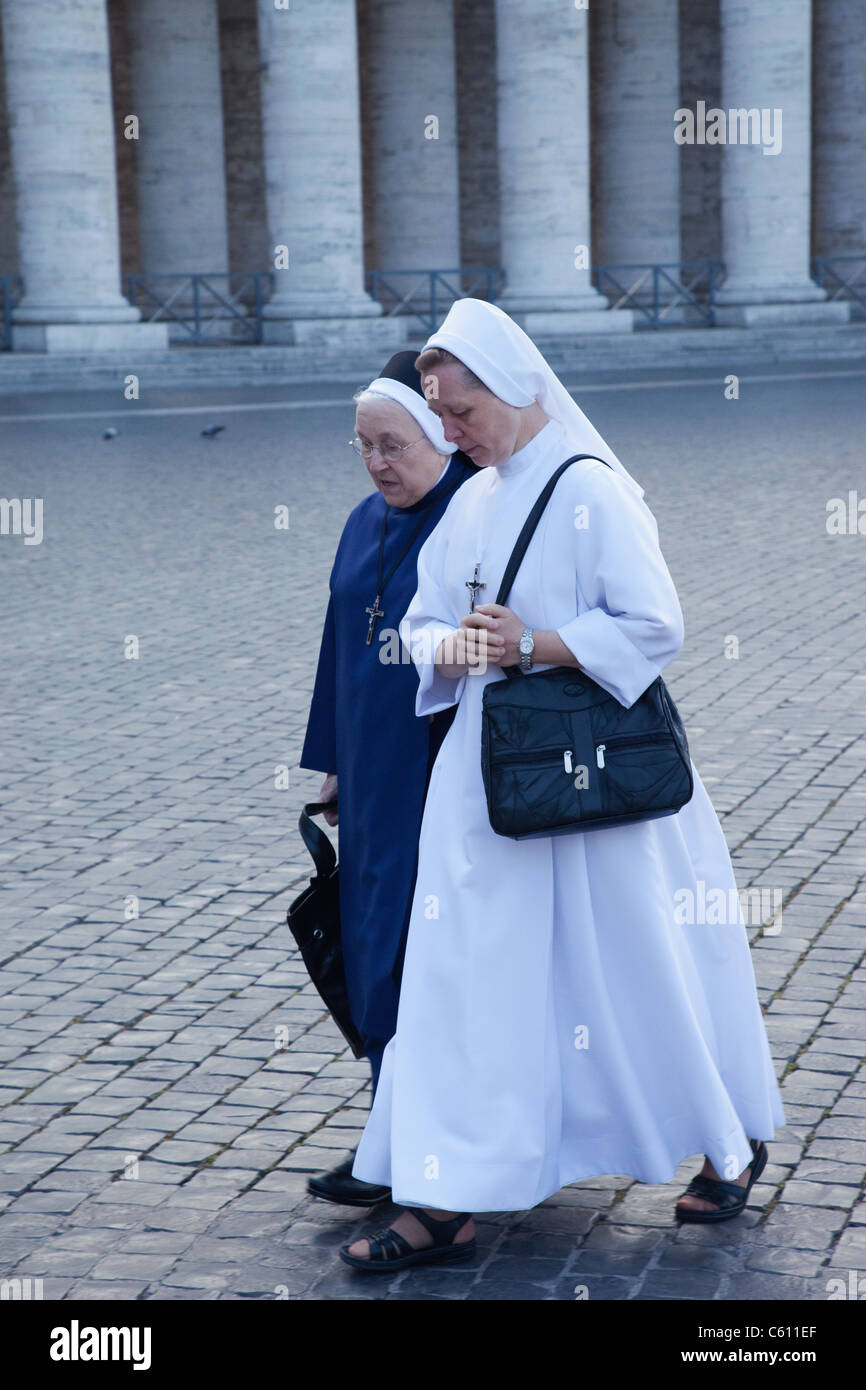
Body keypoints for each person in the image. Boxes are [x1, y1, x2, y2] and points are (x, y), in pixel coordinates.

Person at [341, 298, 785, 1271]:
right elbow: (420, 628)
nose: (448, 433)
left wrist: (535, 644)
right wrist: (457, 647)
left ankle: (727, 1137)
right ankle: (443, 1195)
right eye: (439, 416)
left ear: (513, 386)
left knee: (639, 967)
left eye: (458, 413)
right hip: (485, 783)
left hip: (598, 794)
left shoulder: (591, 489)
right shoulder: (474, 496)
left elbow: (653, 624)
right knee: (462, 976)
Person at [299, 350, 478, 1207]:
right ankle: (388, 1131)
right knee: (371, 950)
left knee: (425, 956)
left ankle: (422, 1150)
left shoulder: (474, 516)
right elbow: (340, 644)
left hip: (442, 773)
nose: (377, 463)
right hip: (371, 775)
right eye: (363, 446)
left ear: (440, 439)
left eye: (393, 445)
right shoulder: (360, 520)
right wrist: (332, 760)